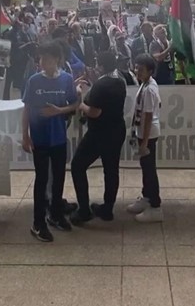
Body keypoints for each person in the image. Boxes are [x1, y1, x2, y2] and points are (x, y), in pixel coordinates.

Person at [21, 41, 79, 242]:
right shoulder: (34, 81)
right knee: (42, 179)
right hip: (40, 138)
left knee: (59, 178)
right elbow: (27, 108)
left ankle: (55, 214)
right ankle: (38, 222)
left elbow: (74, 104)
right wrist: (25, 136)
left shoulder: (66, 79)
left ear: (57, 59)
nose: (43, 62)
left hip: (58, 138)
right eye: (41, 59)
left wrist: (59, 111)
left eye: (47, 59)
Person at [70, 51, 128, 225]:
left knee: (77, 166)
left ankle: (84, 210)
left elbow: (95, 112)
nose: (94, 66)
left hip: (100, 133)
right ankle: (107, 209)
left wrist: (80, 103)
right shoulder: (120, 79)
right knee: (111, 170)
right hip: (117, 129)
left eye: (97, 64)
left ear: (101, 66)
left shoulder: (102, 85)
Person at [127, 54, 164, 223]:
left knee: (149, 170)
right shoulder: (145, 84)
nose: (137, 71)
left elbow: (148, 117)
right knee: (145, 167)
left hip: (148, 135)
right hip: (143, 133)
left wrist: (144, 142)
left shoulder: (150, 89)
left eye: (141, 69)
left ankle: (155, 206)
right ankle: (147, 197)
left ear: (150, 71)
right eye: (136, 68)